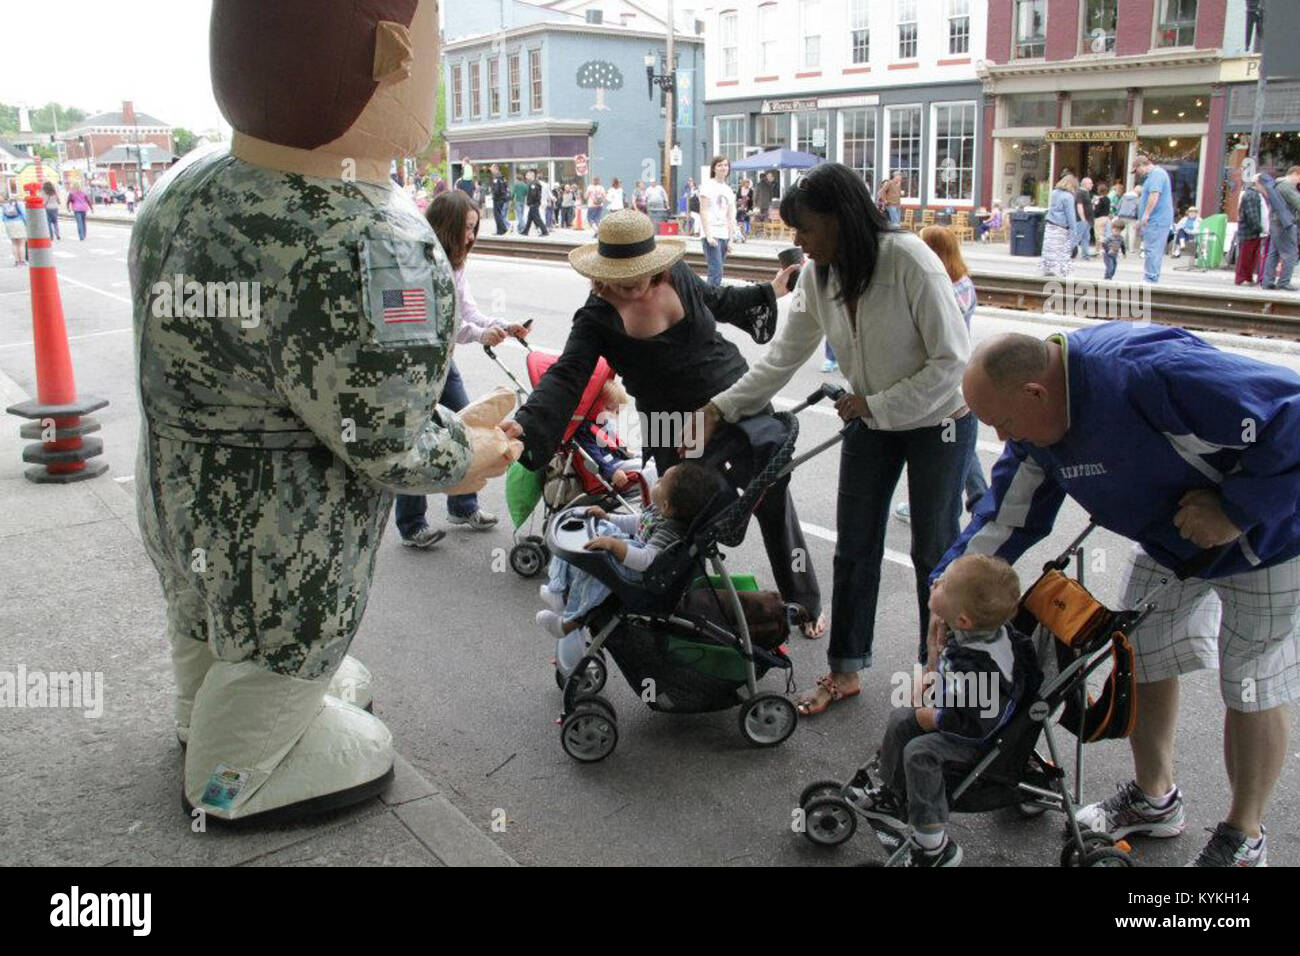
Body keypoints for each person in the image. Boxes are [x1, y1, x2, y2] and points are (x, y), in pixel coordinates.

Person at [134, 0, 522, 823]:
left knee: (204, 619)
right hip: (288, 533)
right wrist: (471, 452)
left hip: (177, 493)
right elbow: (385, 438)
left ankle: (207, 707)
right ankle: (238, 771)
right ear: (387, 58)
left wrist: (456, 424)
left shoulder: (182, 186)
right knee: (282, 647)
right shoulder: (374, 238)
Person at [934, 326, 1300, 867]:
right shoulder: (1038, 434)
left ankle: (1243, 833)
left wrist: (1235, 510)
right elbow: (1006, 516)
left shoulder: (1151, 374)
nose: (1002, 437)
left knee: (1249, 680)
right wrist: (944, 587)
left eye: (1001, 423)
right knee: (1143, 657)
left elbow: (1293, 413)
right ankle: (1156, 799)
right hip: (1170, 540)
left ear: (1035, 393)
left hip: (1267, 539)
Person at [695, 163, 972, 715]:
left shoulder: (910, 261)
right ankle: (845, 669)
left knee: (933, 551)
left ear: (841, 219)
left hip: (939, 417)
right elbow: (782, 359)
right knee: (854, 546)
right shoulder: (819, 276)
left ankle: (938, 672)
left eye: (807, 229)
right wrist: (720, 408)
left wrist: (877, 403)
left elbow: (953, 360)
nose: (798, 241)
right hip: (870, 419)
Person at [512, 209, 826, 638]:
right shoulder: (596, 317)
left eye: (640, 274)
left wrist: (768, 292)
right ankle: (684, 611)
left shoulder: (675, 273)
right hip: (668, 423)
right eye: (620, 278)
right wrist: (528, 426)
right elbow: (568, 375)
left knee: (770, 495)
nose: (632, 286)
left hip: (732, 397)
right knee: (681, 520)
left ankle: (803, 601)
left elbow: (717, 300)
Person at [394, 190, 531, 546]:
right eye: (467, 228)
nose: (471, 237)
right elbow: (439, 322)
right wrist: (482, 334)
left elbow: (467, 311)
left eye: (475, 229)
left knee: (465, 428)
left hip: (443, 363)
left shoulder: (454, 263)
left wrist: (503, 325)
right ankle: (411, 524)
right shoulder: (417, 261)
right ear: (448, 224)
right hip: (415, 366)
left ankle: (462, 504)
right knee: (415, 441)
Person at [878, 554, 1031, 866]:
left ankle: (933, 844)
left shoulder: (980, 666)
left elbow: (978, 723)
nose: (935, 582)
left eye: (943, 585)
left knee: (920, 753)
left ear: (964, 619)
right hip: (963, 710)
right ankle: (893, 793)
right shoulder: (974, 634)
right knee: (900, 720)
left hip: (978, 738)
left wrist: (935, 716)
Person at [538, 462, 724, 671]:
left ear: (667, 507)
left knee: (596, 568)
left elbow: (646, 560)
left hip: (641, 575)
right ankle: (558, 589)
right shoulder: (658, 511)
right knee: (589, 532)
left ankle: (569, 622)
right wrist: (608, 518)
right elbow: (638, 523)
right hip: (634, 550)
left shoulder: (670, 531)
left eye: (662, 482)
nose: (658, 480)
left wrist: (614, 545)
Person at [896, 226, 985, 522]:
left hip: (940, 372)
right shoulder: (965, 282)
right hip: (961, 369)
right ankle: (979, 495)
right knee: (956, 438)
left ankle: (934, 501)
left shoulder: (940, 286)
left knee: (933, 440)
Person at [573, 377, 658, 492]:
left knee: (652, 458)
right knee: (648, 469)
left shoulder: (601, 424)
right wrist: (611, 472)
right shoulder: (584, 430)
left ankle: (662, 492)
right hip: (611, 467)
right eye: (609, 409)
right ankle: (652, 503)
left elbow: (613, 446)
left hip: (619, 460)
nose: (613, 415)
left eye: (617, 412)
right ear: (594, 405)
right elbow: (594, 456)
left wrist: (627, 453)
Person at [1133, 153, 1174, 283]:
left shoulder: (1156, 175)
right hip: (1156, 219)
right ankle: (1151, 276)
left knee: (1153, 249)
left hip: (1156, 220)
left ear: (1141, 165)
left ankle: (1151, 278)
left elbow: (1154, 195)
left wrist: (1145, 215)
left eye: (1137, 170)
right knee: (1151, 249)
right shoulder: (1156, 175)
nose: (1138, 174)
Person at [1259, 165, 1300, 291]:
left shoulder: (1277, 184)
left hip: (1276, 222)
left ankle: (1267, 281)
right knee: (1291, 253)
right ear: (1295, 174)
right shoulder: (1286, 186)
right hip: (1284, 224)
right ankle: (1284, 282)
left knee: (1274, 252)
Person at [699, 156, 738, 287]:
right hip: (712, 233)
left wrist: (731, 239)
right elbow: (703, 211)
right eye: (720, 165)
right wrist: (708, 235)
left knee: (718, 272)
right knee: (716, 271)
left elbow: (730, 216)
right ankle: (709, 302)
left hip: (724, 234)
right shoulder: (707, 186)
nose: (723, 168)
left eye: (726, 165)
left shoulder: (728, 190)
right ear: (714, 168)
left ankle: (710, 299)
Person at [1041, 172, 1078, 278]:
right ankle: (1065, 271)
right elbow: (1070, 214)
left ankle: (1048, 268)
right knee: (1063, 250)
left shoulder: (1054, 192)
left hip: (1050, 224)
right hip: (1061, 226)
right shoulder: (1069, 197)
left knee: (1049, 248)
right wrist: (1073, 229)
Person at [1235, 179, 1265, 286]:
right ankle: (1244, 278)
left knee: (1248, 256)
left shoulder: (1252, 194)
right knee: (1247, 256)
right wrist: (1260, 228)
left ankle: (1246, 277)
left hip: (1250, 231)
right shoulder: (1252, 195)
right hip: (1250, 232)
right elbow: (1252, 215)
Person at [520, 169, 549, 236]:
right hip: (534, 204)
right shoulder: (534, 183)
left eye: (528, 175)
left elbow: (533, 195)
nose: (526, 176)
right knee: (529, 218)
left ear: (532, 175)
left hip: (534, 204)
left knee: (537, 218)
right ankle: (525, 231)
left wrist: (530, 202)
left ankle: (544, 231)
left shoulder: (533, 184)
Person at [1073, 176, 1095, 260]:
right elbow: (1079, 206)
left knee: (1086, 237)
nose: (1092, 185)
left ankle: (1085, 255)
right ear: (1084, 184)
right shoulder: (1080, 193)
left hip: (1088, 220)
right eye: (1090, 183)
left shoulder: (1087, 193)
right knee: (1077, 237)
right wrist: (1083, 219)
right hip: (1082, 220)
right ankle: (1068, 252)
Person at [2, 196, 26, 265]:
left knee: (14, 243)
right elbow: (24, 214)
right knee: (21, 244)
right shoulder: (19, 203)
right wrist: (26, 224)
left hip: (9, 224)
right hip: (19, 222)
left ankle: (16, 261)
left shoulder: (5, 205)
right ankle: (22, 261)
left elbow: (3, 217)